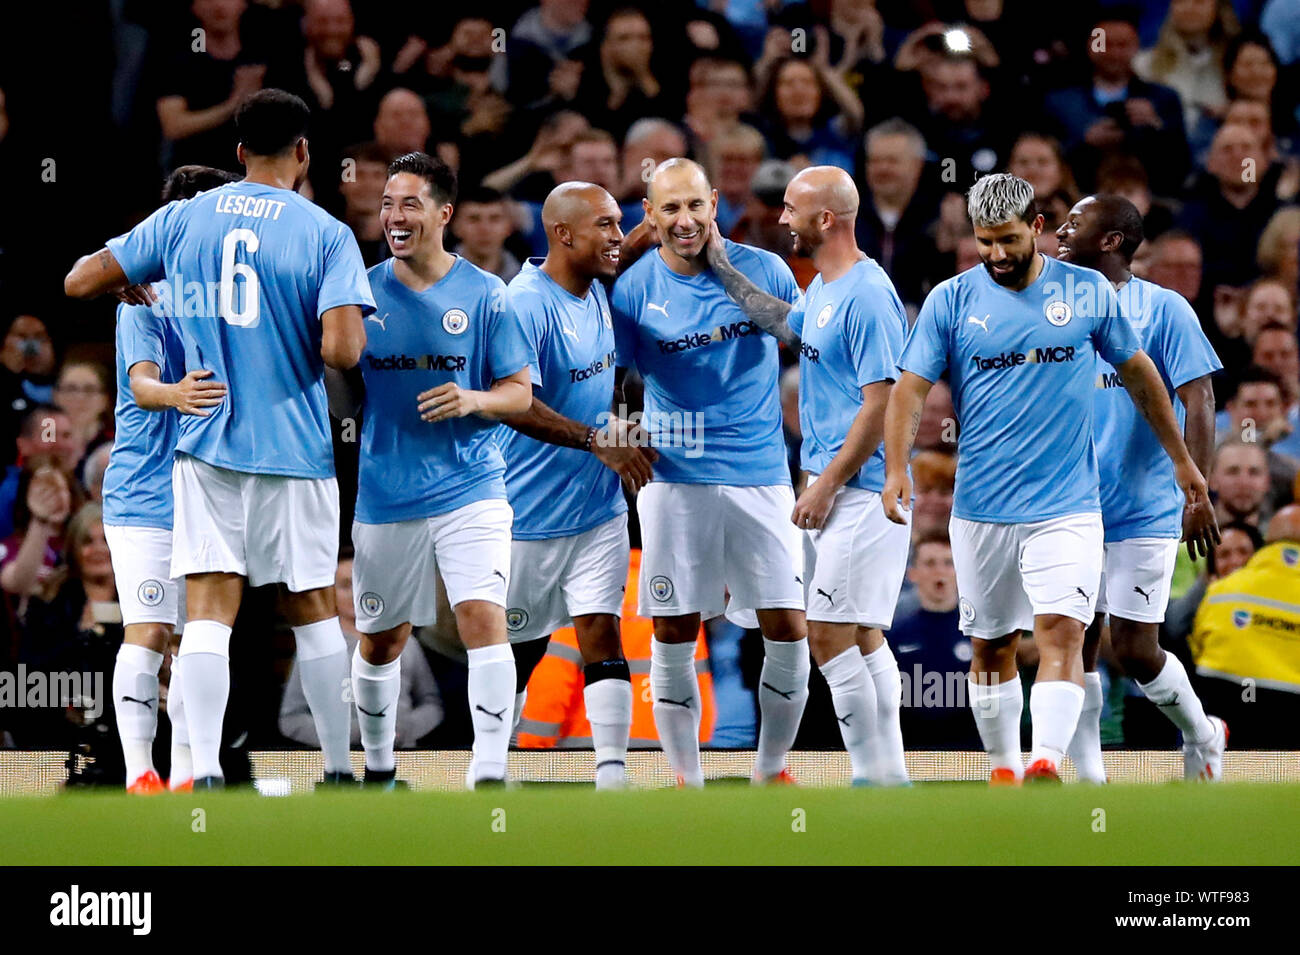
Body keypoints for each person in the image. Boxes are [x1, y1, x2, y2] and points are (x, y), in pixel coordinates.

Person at [64, 89, 375, 789]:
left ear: (238, 153)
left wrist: (130, 286)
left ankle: (199, 772)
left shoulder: (181, 217)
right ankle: (335, 768)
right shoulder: (325, 232)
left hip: (205, 451)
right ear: (302, 152)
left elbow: (79, 279)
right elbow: (344, 351)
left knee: (207, 609)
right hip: (295, 450)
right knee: (312, 606)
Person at [882, 173, 1216, 784]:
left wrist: (1183, 463)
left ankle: (1047, 761)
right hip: (981, 507)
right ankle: (1005, 768)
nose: (996, 255)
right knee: (991, 647)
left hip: (1069, 506)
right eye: (984, 242)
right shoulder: (950, 300)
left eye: (1008, 239)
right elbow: (909, 389)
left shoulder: (1087, 292)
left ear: (1035, 227)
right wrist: (897, 466)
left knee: (1064, 631)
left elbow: (1142, 376)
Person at [705, 165, 912, 786]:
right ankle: (891, 776)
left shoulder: (869, 295)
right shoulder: (826, 286)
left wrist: (825, 484)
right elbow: (784, 323)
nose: (781, 218)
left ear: (826, 219)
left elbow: (885, 402)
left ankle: (870, 776)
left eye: (792, 209)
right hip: (839, 488)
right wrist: (719, 261)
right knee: (864, 636)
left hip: (862, 492)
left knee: (827, 636)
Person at [610, 158, 807, 787]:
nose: (685, 219)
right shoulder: (633, 288)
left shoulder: (763, 267)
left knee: (786, 622)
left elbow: (790, 331)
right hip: (672, 476)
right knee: (672, 625)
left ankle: (770, 771)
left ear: (715, 202)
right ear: (650, 215)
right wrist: (615, 432)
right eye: (669, 208)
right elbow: (607, 376)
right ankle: (685, 778)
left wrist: (721, 265)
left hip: (759, 471)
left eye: (695, 205)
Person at [347, 152, 533, 789]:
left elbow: (519, 393)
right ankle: (378, 766)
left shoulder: (487, 295)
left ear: (443, 214)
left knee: (483, 616)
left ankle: (488, 771)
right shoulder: (361, 292)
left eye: (410, 205)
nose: (395, 217)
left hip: (471, 483)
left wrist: (475, 399)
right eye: (388, 205)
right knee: (381, 640)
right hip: (386, 491)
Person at [1055, 193, 1227, 782]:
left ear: (1110, 241)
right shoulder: (1053, 308)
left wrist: (1197, 492)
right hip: (1069, 505)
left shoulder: (1163, 309)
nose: (1059, 229)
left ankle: (1203, 733)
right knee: (1070, 642)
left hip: (1143, 504)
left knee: (1132, 649)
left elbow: (1198, 397)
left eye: (1075, 223)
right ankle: (1089, 775)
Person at [498, 181, 658, 789]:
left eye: (621, 224)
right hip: (526, 514)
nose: (618, 237)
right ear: (563, 235)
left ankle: (612, 779)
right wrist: (597, 441)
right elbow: (515, 404)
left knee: (600, 629)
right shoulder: (524, 305)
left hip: (595, 507)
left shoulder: (596, 287)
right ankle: (495, 769)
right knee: (519, 650)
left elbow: (631, 247)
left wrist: (669, 211)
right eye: (606, 226)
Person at [101, 164, 238, 794]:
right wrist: (175, 393)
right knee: (150, 630)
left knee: (197, 638)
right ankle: (139, 773)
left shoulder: (232, 297)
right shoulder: (144, 299)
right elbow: (141, 384)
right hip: (145, 491)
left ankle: (188, 773)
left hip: (211, 488)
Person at [280, 555, 443, 753]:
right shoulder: (315, 648)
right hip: (340, 762)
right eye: (345, 585)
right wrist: (350, 733)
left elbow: (431, 704)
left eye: (363, 582)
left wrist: (403, 729)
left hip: (401, 755)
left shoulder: (406, 643)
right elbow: (291, 717)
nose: (356, 591)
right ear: (330, 593)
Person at [1189, 503, 1300, 748]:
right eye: (1224, 554)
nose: (1235, 561)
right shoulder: (1213, 590)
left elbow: (1194, 647)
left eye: (1242, 552)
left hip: (1229, 703)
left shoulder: (1220, 593)